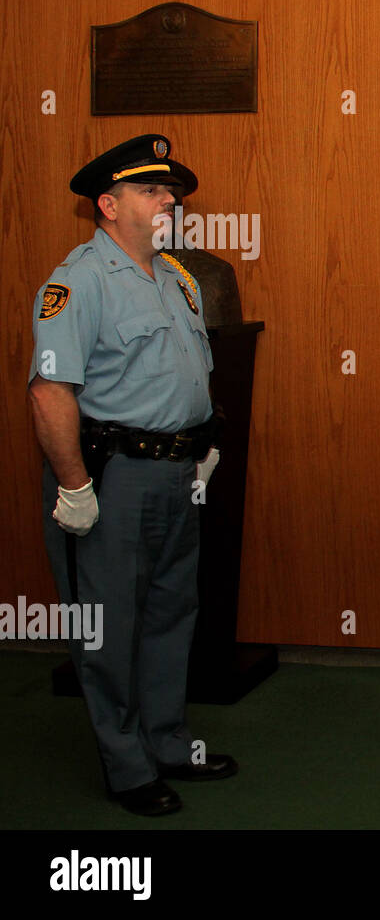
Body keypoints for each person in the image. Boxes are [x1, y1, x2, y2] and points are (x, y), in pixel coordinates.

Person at [28, 135, 235, 816]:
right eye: (152, 191)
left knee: (174, 612)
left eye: (171, 192)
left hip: (178, 474)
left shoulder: (174, 276)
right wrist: (74, 486)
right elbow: (51, 391)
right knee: (109, 626)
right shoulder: (77, 281)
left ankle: (168, 740)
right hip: (112, 478)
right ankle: (126, 764)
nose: (170, 200)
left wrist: (199, 441)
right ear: (109, 204)